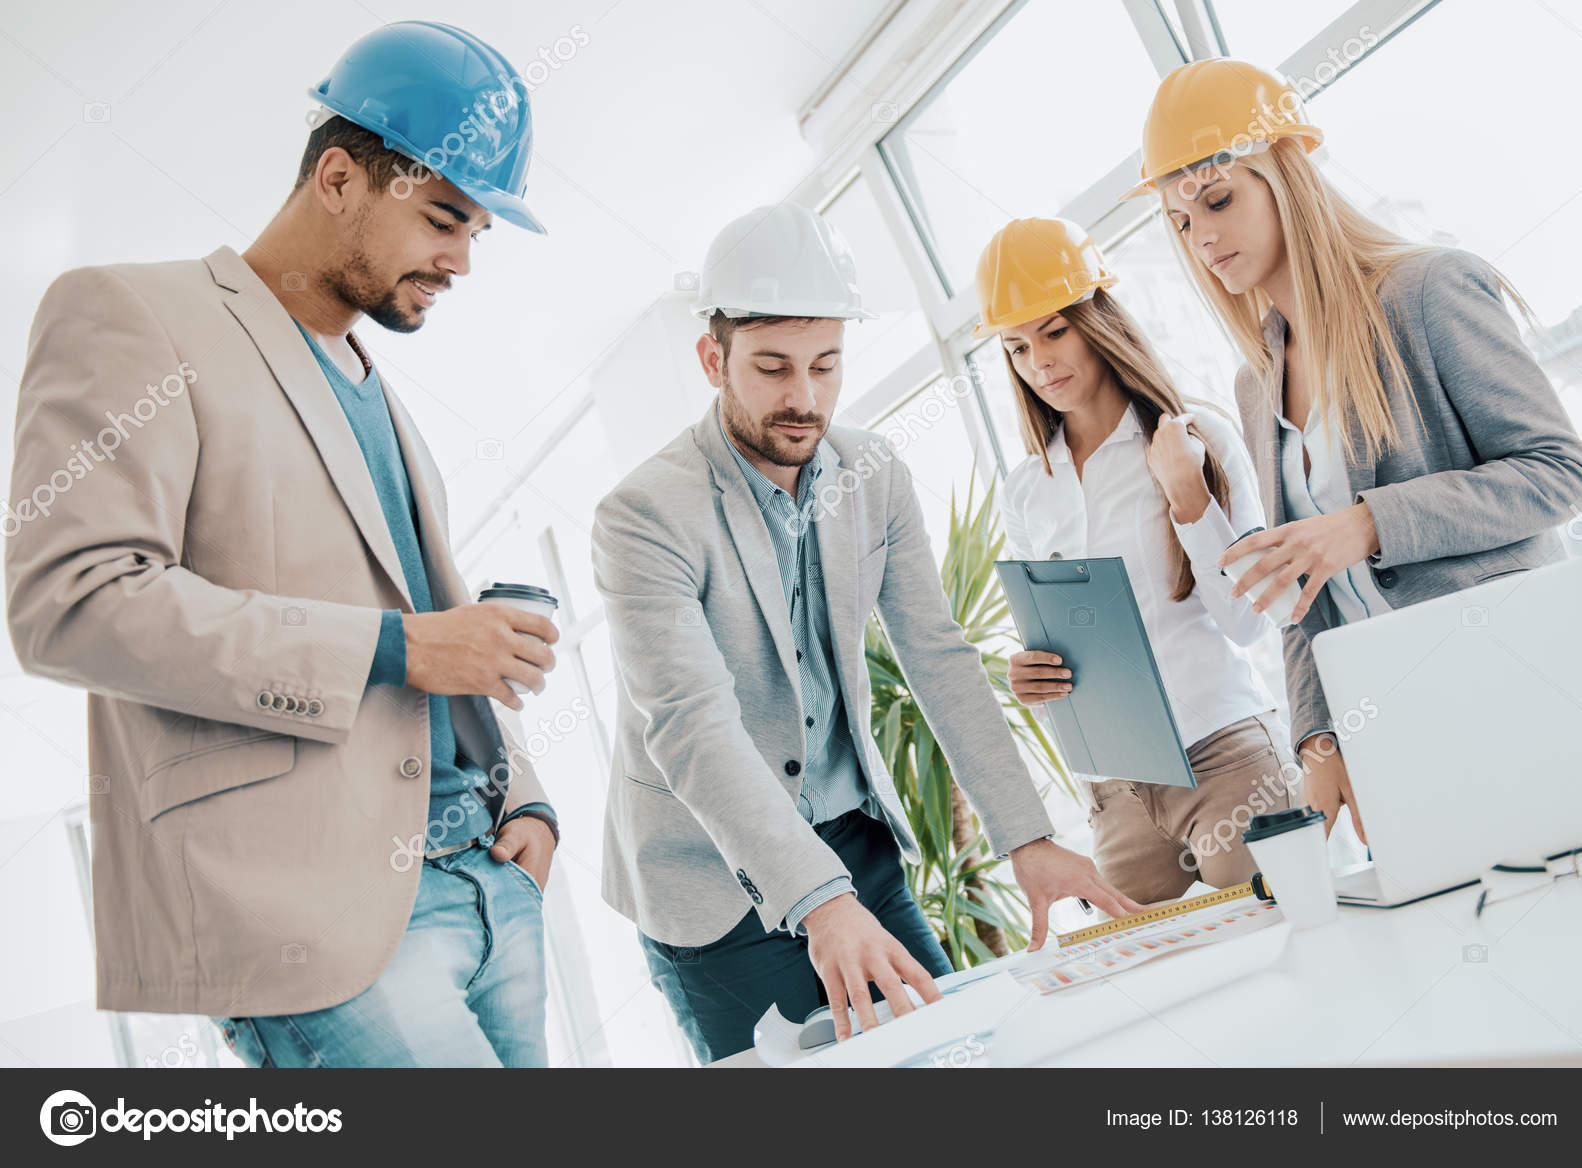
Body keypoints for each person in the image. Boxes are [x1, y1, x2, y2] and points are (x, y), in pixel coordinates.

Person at [5, 22, 564, 1067]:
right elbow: (67, 601)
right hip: (321, 923)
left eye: (477, 232)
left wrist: (522, 794)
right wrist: (394, 648)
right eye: (445, 218)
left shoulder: (376, 386)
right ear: (341, 178)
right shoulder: (132, 314)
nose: (460, 260)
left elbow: (432, 625)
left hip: (488, 881)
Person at [591, 203, 1142, 1063]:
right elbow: (690, 725)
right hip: (710, 888)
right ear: (713, 359)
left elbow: (939, 656)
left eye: (825, 366)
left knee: (964, 1062)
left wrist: (1027, 840)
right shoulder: (644, 515)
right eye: (772, 368)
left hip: (855, 844)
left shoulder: (873, 474)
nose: (803, 398)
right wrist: (816, 901)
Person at [1132, 58, 1582, 840]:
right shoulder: (1258, 383)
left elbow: (1559, 474)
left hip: (1516, 688)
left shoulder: (1428, 291)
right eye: (1183, 222)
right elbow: (1294, 589)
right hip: (1395, 723)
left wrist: (1366, 524)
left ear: (1284, 175)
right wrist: (1317, 735)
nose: (1202, 235)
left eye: (1218, 198)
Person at [983, 217, 1297, 902]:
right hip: (1117, 789)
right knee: (1145, 983)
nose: (1038, 362)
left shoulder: (1200, 436)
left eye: (1054, 331)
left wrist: (1187, 494)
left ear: (1097, 320)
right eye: (1017, 346)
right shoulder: (1027, 491)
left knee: (1272, 950)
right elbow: (1066, 651)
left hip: (1224, 758)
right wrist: (1031, 678)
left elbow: (1250, 623)